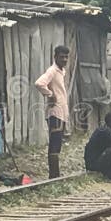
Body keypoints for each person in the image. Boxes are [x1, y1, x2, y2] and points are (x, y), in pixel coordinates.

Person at [35, 45, 70, 179]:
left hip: (61, 112)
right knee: (55, 143)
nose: (64, 59)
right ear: (55, 57)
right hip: (54, 112)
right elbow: (39, 83)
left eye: (66, 57)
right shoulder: (52, 71)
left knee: (58, 143)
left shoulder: (62, 71)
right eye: (61, 57)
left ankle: (55, 175)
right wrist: (50, 94)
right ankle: (53, 176)